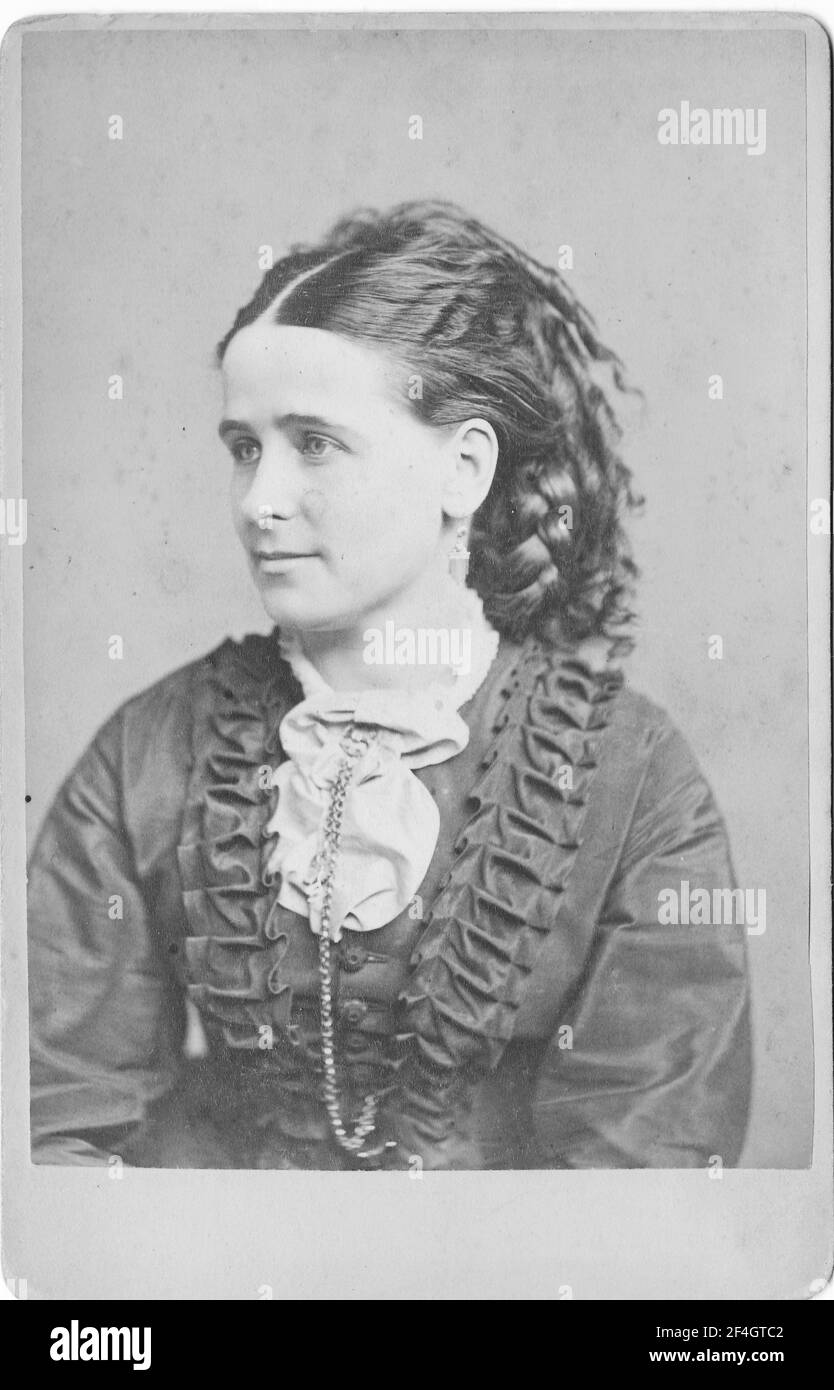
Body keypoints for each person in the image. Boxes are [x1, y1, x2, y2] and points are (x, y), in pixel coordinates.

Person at [27, 200, 751, 1170]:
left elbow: (652, 1179)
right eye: (244, 448)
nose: (259, 500)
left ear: (463, 468)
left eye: (314, 443)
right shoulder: (151, 752)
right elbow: (50, 1125)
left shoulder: (629, 777)